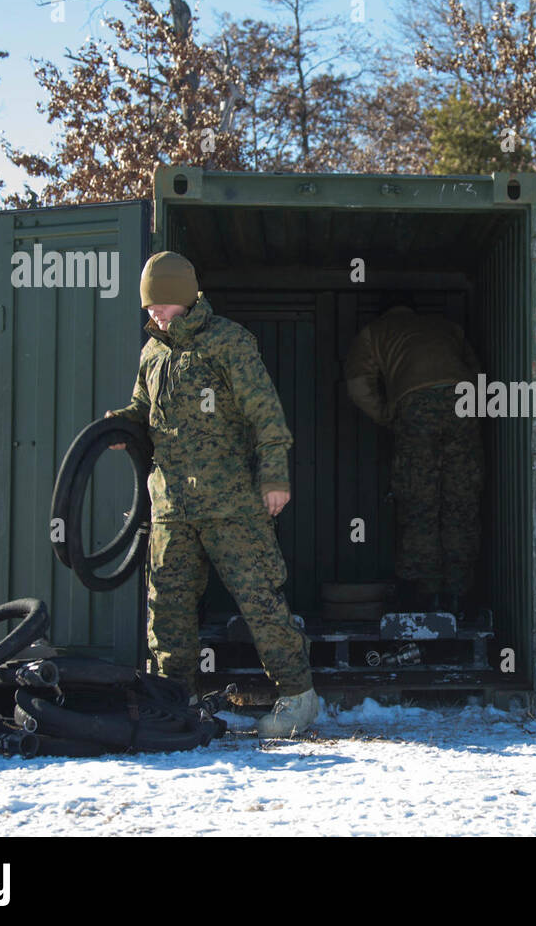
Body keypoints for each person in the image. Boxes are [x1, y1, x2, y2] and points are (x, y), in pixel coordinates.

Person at [106, 250, 317, 739]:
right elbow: (142, 409)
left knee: (259, 598)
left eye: (161, 303)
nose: (154, 313)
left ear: (183, 296)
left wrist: (274, 478)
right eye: (149, 306)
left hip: (231, 503)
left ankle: (298, 696)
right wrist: (122, 423)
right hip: (171, 507)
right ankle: (174, 702)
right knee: (168, 608)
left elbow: (266, 413)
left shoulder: (228, 342)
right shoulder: (152, 353)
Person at [344, 297, 484, 618]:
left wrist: (388, 415)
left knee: (420, 500)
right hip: (464, 402)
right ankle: (459, 595)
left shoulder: (375, 332)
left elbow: (357, 384)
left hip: (415, 404)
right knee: (461, 499)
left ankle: (425, 595)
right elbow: (476, 372)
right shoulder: (447, 328)